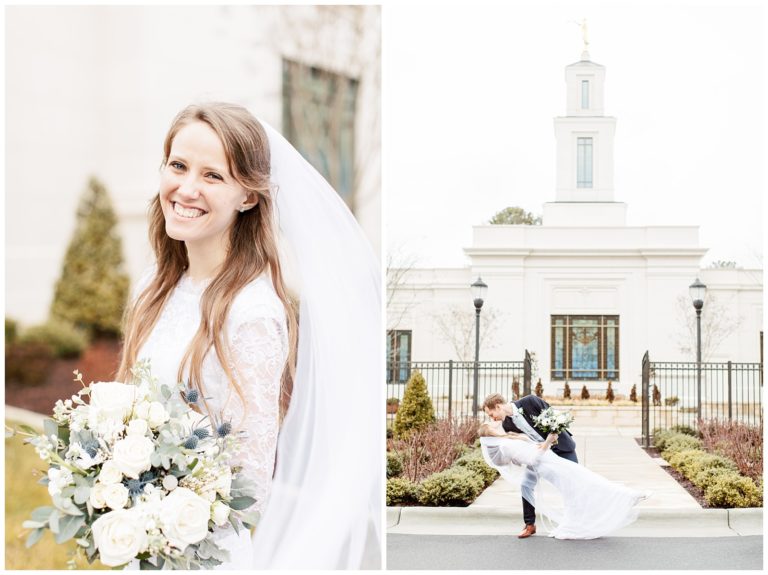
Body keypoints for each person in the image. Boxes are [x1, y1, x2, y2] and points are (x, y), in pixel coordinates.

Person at [118, 102, 381, 569]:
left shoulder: (252, 311)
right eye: (178, 166)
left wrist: (163, 509)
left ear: (248, 196)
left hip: (202, 554)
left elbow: (250, 483)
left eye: (213, 176)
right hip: (139, 544)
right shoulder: (154, 285)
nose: (187, 188)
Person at [479, 421, 650, 540]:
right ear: (491, 431)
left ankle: (623, 498)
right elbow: (531, 459)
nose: (495, 421)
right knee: (585, 483)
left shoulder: (507, 440)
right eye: (491, 423)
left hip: (553, 462)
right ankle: (626, 497)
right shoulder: (506, 445)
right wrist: (549, 440)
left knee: (584, 483)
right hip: (549, 466)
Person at [482, 393, 577, 538]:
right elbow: (522, 443)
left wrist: (547, 443)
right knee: (526, 484)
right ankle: (529, 525)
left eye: (491, 413)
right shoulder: (507, 424)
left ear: (498, 406)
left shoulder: (530, 401)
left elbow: (555, 421)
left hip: (561, 447)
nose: (492, 417)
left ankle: (575, 522)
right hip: (538, 454)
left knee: (572, 484)